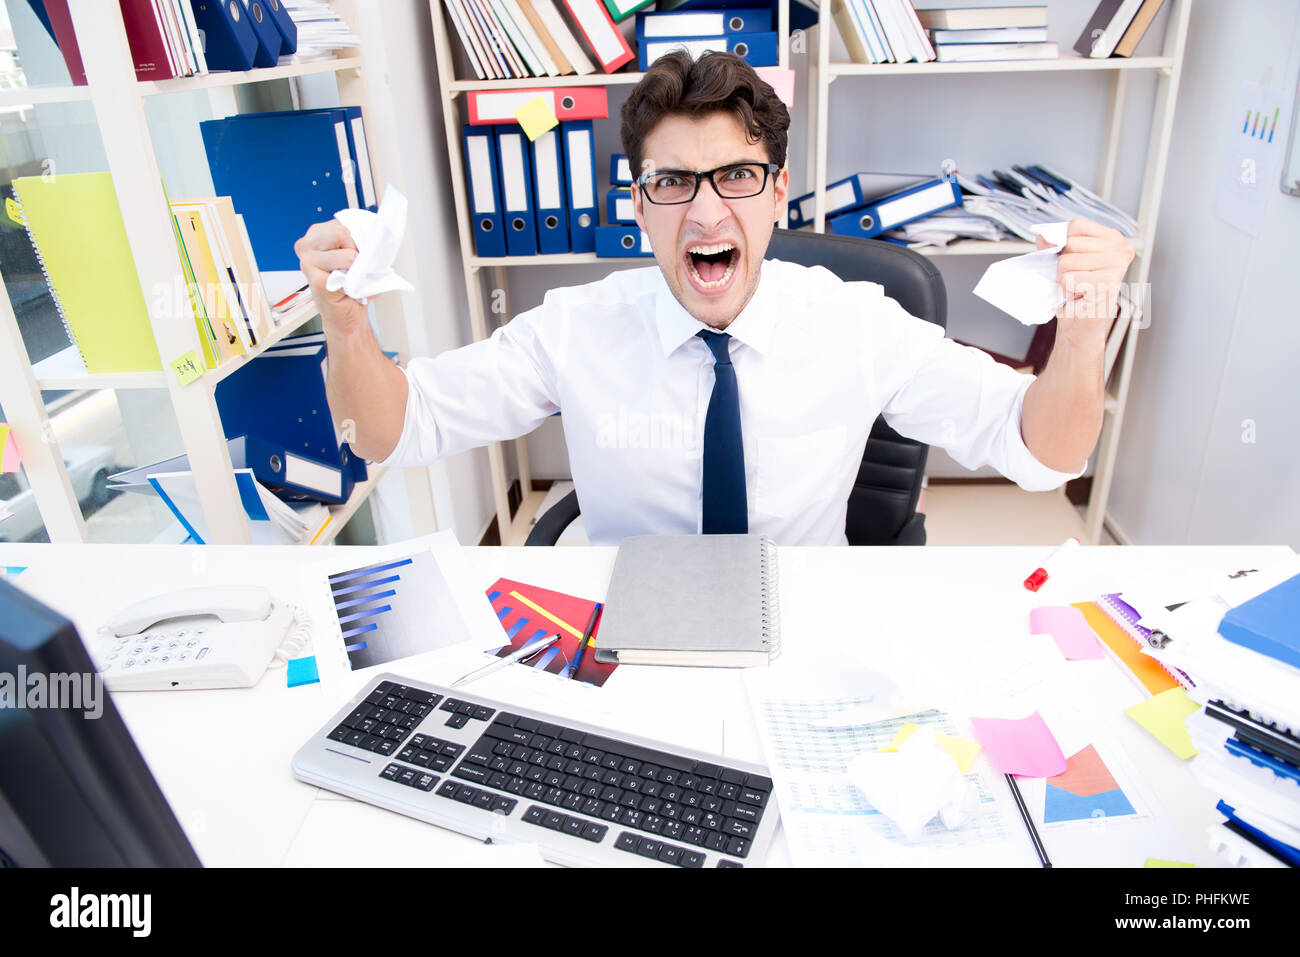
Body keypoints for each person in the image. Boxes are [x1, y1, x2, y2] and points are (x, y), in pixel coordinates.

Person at [294, 51, 1134, 546]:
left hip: (804, 626)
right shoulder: (575, 329)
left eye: (735, 176)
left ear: (778, 194)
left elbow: (1048, 451)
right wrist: (345, 323)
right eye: (671, 182)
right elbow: (390, 428)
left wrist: (1085, 328)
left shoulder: (858, 324)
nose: (704, 210)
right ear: (636, 204)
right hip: (630, 637)